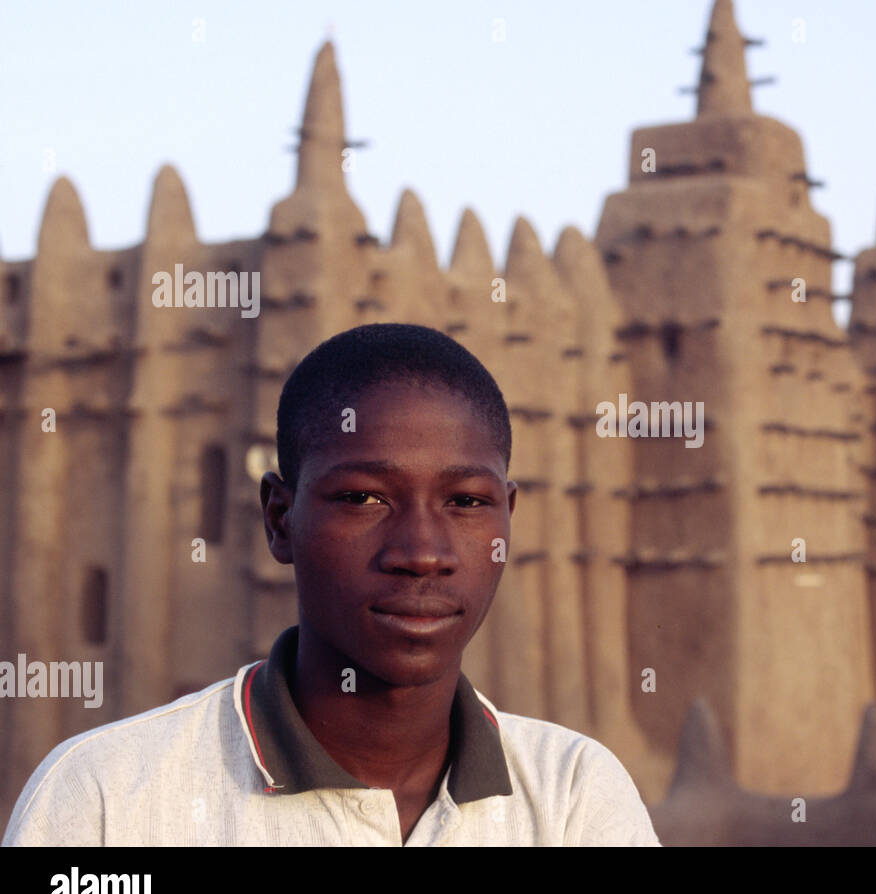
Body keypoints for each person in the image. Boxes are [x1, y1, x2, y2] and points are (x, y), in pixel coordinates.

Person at [3, 323, 660, 846]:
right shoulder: (108, 800)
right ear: (280, 519)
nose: (422, 553)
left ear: (507, 519)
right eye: (364, 497)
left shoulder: (573, 797)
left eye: (464, 502)